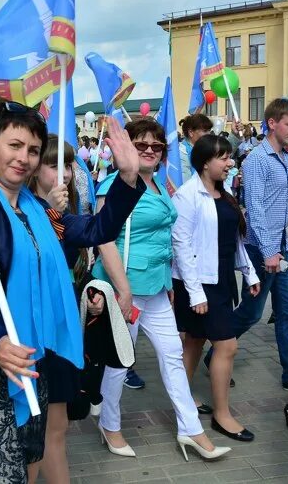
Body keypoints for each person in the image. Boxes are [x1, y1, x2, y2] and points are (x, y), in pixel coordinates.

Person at [0, 102, 145, 483]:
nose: (23, 158)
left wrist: (126, 179)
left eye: (32, 150)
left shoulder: (40, 211)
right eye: (14, 145)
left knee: (28, 463)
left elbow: (95, 231)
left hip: (33, 362)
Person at [93, 118, 230, 461]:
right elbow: (103, 240)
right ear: (128, 149)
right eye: (141, 145)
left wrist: (168, 283)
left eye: (157, 146)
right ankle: (109, 425)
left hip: (155, 288)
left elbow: (164, 238)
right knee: (119, 363)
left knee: (172, 356)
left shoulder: (159, 186)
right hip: (124, 288)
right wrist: (121, 291)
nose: (150, 151)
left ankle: (191, 429)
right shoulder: (112, 184)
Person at [207, 99, 288, 392]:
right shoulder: (257, 159)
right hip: (262, 249)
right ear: (272, 123)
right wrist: (269, 250)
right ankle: (215, 354)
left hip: (284, 248)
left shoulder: (285, 158)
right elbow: (255, 209)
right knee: (251, 313)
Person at [172, 134, 261, 442]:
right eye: (222, 157)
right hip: (197, 284)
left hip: (221, 279)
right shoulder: (187, 195)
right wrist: (196, 294)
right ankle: (222, 415)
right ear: (204, 162)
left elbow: (234, 240)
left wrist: (249, 274)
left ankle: (182, 403)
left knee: (194, 342)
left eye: (229, 157)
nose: (229, 162)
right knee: (227, 346)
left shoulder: (224, 194)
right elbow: (181, 246)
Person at [27, 135, 101, 484]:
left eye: (68, 164)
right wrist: (52, 213)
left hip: (63, 325)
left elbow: (92, 236)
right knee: (35, 428)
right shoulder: (24, 210)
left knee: (56, 425)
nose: (64, 173)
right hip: (35, 329)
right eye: (53, 164)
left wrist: (90, 288)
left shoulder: (65, 210)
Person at [178, 114, 213, 183]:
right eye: (205, 131)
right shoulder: (182, 152)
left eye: (209, 130)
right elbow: (186, 184)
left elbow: (222, 154)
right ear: (191, 132)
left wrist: (235, 134)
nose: (209, 134)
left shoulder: (205, 148)